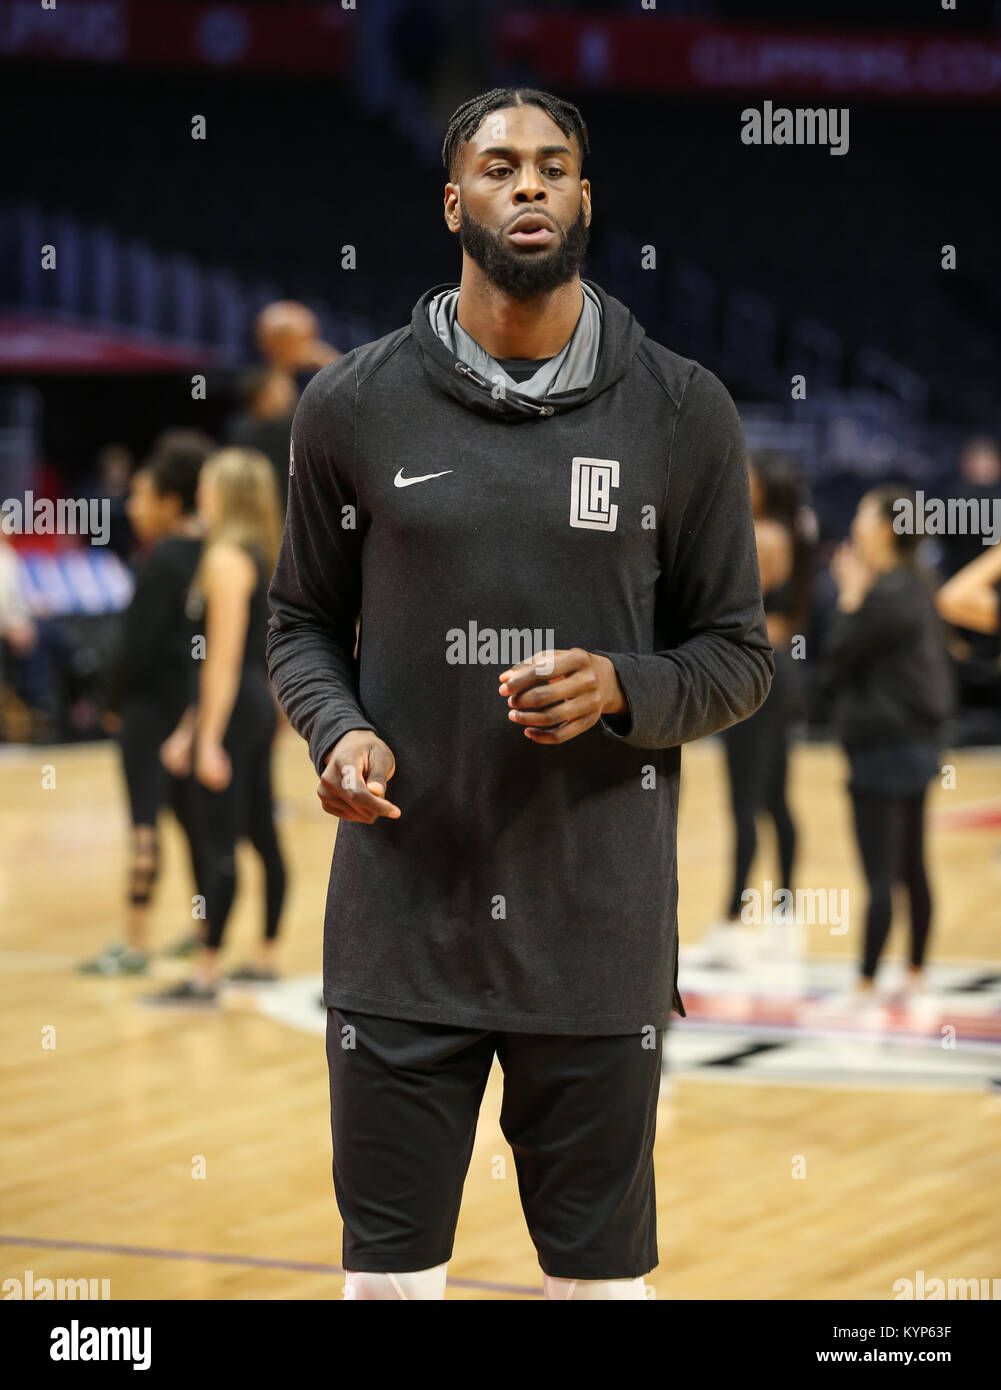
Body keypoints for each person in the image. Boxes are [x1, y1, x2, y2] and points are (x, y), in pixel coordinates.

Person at [267, 87, 773, 1301]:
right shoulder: (349, 403)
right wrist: (338, 734)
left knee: (595, 1290)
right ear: (455, 202)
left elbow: (739, 653)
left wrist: (621, 687)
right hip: (401, 930)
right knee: (388, 1283)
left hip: (593, 938)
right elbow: (299, 624)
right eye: (499, 167)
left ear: (585, 199)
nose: (529, 184)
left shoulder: (682, 410)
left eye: (554, 167)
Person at [149, 448, 287, 1003]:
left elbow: (221, 660)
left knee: (219, 840)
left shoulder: (227, 559)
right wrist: (190, 729)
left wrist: (207, 739)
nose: (199, 492)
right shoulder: (258, 553)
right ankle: (265, 956)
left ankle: (206, 972)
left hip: (234, 707)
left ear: (225, 493)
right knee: (260, 832)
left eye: (207, 483)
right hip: (251, 704)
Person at [79, 431, 213, 975]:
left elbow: (133, 647)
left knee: (144, 826)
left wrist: (110, 700)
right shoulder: (212, 554)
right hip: (188, 709)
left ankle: (134, 944)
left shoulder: (160, 563)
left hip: (145, 710)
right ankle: (205, 928)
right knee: (192, 822)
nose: (132, 509)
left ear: (169, 499)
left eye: (140, 497)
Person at [823, 486, 953, 1002]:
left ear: (882, 528)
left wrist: (852, 595)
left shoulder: (886, 594)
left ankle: (865, 982)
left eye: (862, 511)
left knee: (881, 871)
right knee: (912, 864)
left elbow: (836, 656)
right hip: (916, 744)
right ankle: (916, 972)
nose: (854, 521)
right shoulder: (918, 584)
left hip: (882, 746)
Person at [698, 450, 813, 968]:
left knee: (746, 802)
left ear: (765, 486)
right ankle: (784, 919)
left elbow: (728, 602)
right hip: (781, 671)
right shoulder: (791, 531)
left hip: (758, 676)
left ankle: (732, 922)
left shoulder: (762, 536)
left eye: (746, 476)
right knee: (772, 800)